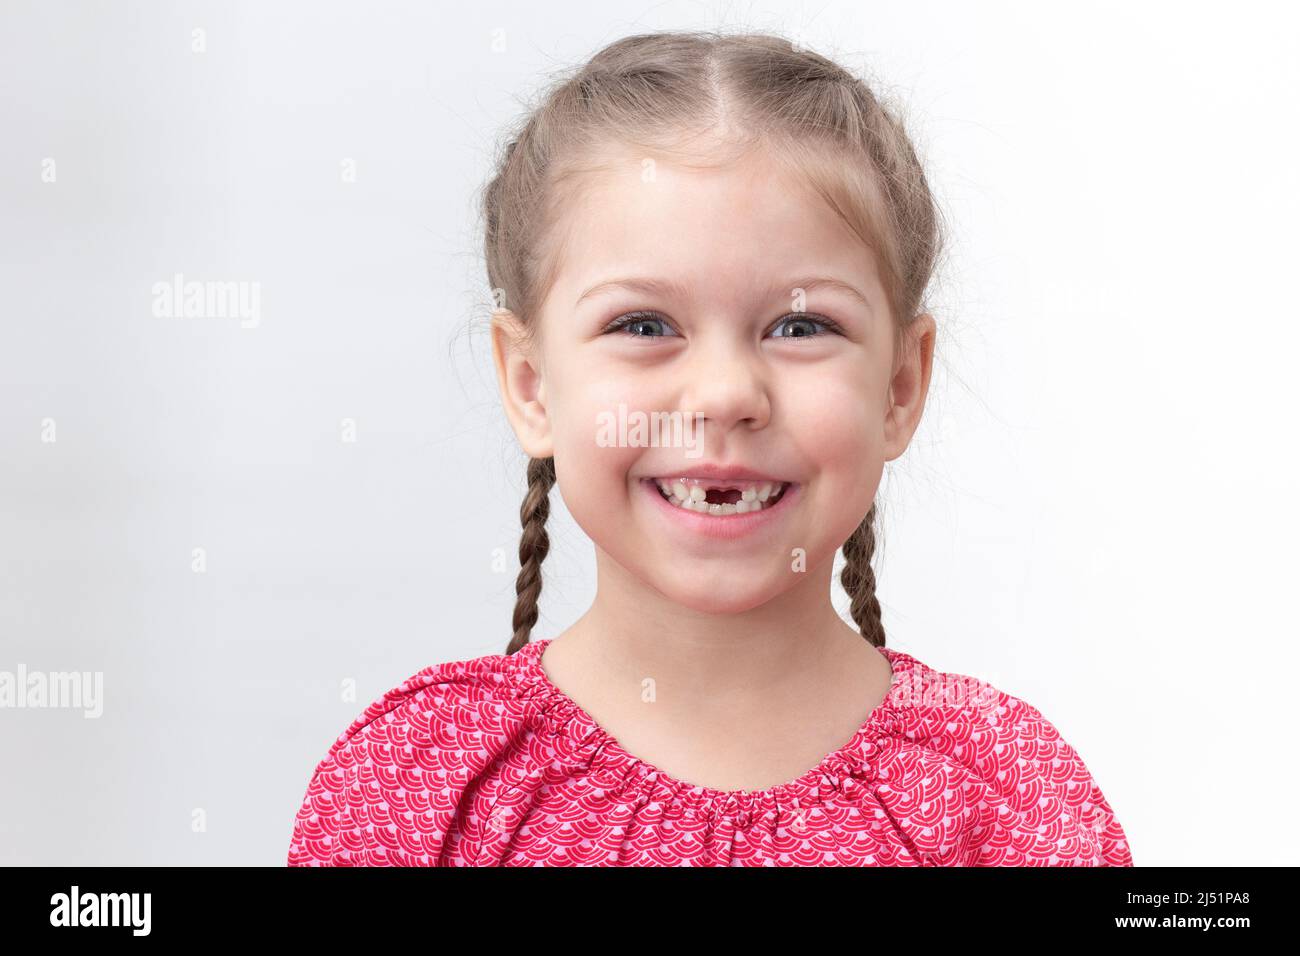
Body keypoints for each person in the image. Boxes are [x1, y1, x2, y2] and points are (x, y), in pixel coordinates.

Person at [288, 29, 1132, 866]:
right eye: (643, 325)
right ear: (532, 385)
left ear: (900, 388)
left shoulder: (1005, 802)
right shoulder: (418, 785)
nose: (726, 394)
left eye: (802, 325)